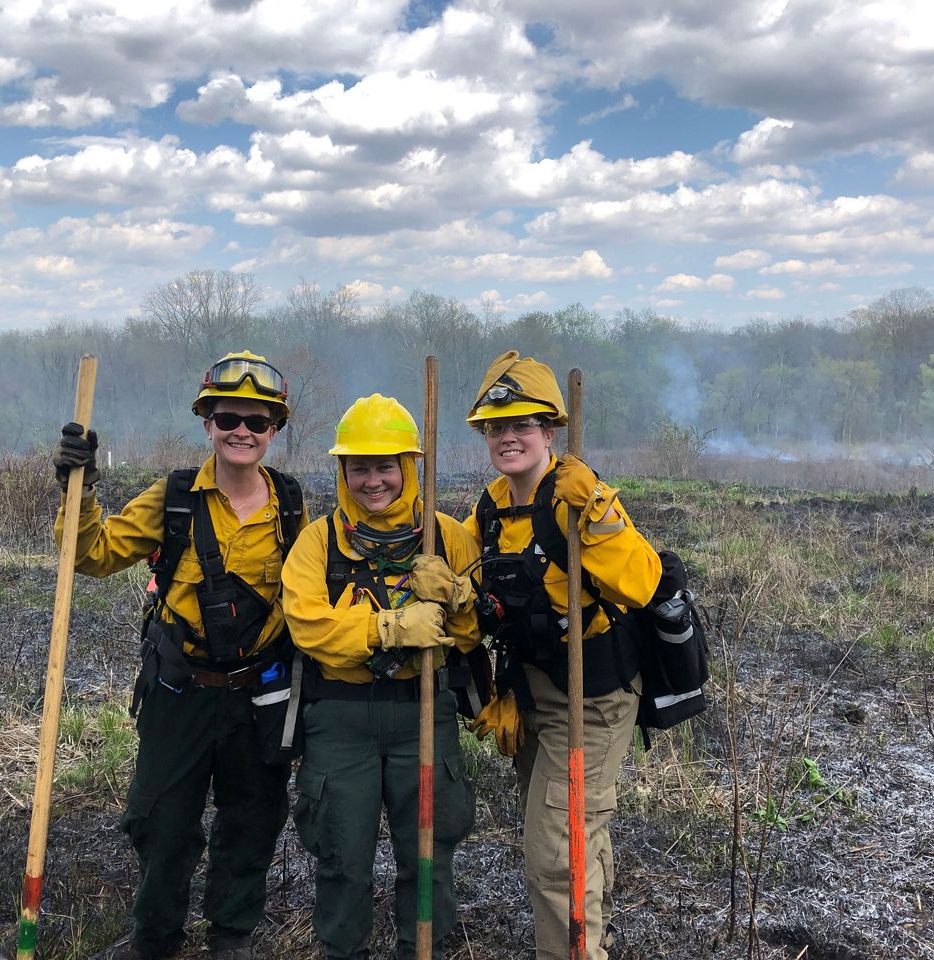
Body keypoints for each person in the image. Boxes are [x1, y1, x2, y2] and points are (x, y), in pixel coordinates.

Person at [51, 351, 308, 960]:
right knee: (159, 820)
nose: (241, 431)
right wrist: (75, 488)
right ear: (206, 424)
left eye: (257, 421)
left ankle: (231, 935)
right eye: (227, 419)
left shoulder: (294, 507)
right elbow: (92, 553)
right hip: (178, 690)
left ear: (274, 430)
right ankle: (155, 935)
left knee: (252, 819)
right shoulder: (171, 497)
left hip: (260, 694)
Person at [461, 351, 662, 960]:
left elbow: (644, 581)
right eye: (497, 427)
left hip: (591, 695)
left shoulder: (582, 498)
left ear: (550, 430)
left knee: (557, 851)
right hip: (530, 692)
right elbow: (476, 594)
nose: (508, 437)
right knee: (569, 837)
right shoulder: (491, 508)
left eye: (523, 425)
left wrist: (598, 514)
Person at [281, 394, 481, 960]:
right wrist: (393, 627)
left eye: (386, 466)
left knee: (428, 852)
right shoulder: (318, 542)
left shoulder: (448, 536)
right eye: (360, 468)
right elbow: (310, 628)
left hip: (423, 709)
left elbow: (472, 634)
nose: (374, 481)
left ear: (410, 468)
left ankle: (425, 950)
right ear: (342, 471)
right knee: (342, 853)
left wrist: (458, 599)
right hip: (341, 717)